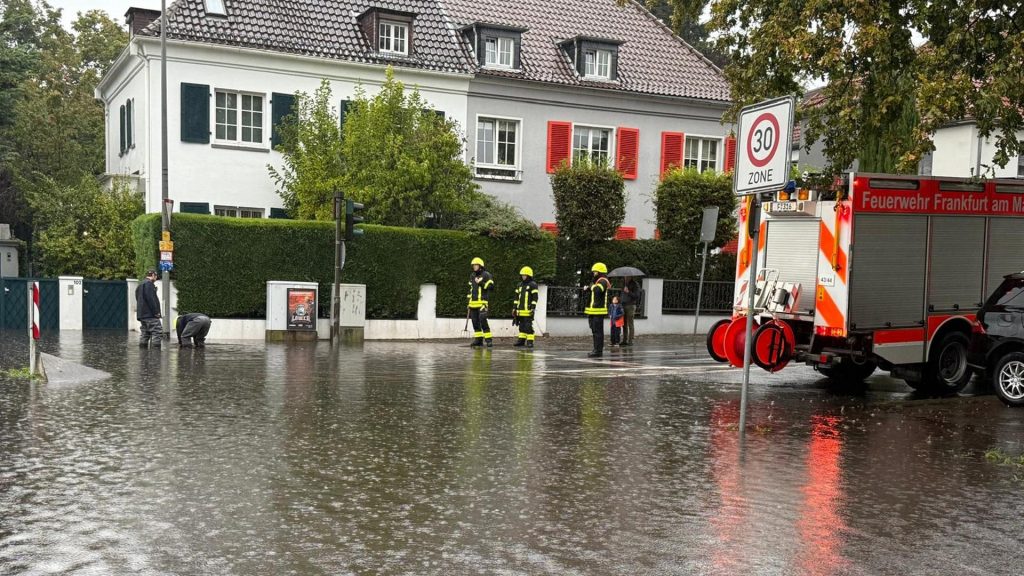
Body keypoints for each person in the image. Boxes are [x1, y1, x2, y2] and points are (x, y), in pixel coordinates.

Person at [467, 257, 494, 348]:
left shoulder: (486, 275)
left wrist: (480, 283)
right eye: (473, 265)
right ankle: (478, 340)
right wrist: (468, 302)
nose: (474, 267)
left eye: (476, 265)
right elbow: (470, 289)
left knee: (483, 320)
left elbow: (491, 287)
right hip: (473, 304)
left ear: (480, 266)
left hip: (482, 303)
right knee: (475, 322)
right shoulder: (472, 275)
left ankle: (488, 340)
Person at [585, 262, 611, 358]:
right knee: (595, 331)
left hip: (598, 311)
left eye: (595, 272)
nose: (593, 273)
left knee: (598, 332)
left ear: (599, 272)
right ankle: (596, 349)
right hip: (593, 311)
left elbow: (597, 290)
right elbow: (594, 291)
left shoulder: (603, 280)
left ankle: (598, 351)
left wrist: (591, 286)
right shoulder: (597, 281)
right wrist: (588, 288)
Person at [512, 266, 539, 349]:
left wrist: (533, 308)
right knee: (521, 326)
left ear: (529, 275)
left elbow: (535, 298)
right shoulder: (519, 285)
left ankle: (530, 341)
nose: (523, 276)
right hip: (520, 311)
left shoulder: (533, 285)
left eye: (525, 275)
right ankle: (521, 341)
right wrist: (514, 308)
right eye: (522, 275)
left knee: (528, 326)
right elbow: (516, 298)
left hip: (528, 310)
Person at [135, 269, 162, 348]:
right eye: (156, 276)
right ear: (153, 275)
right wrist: (156, 312)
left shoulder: (140, 285)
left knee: (145, 334)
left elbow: (137, 298)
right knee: (157, 331)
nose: (156, 279)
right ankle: (156, 355)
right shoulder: (149, 284)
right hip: (150, 314)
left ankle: (143, 355)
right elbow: (151, 299)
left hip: (142, 314)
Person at [619, 276, 641, 346]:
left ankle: (630, 340)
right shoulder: (623, 283)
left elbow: (637, 296)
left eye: (627, 276)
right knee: (624, 324)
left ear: (631, 276)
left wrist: (628, 292)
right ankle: (624, 340)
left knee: (630, 323)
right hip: (623, 305)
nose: (626, 277)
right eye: (625, 276)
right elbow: (622, 294)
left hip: (631, 306)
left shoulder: (635, 284)